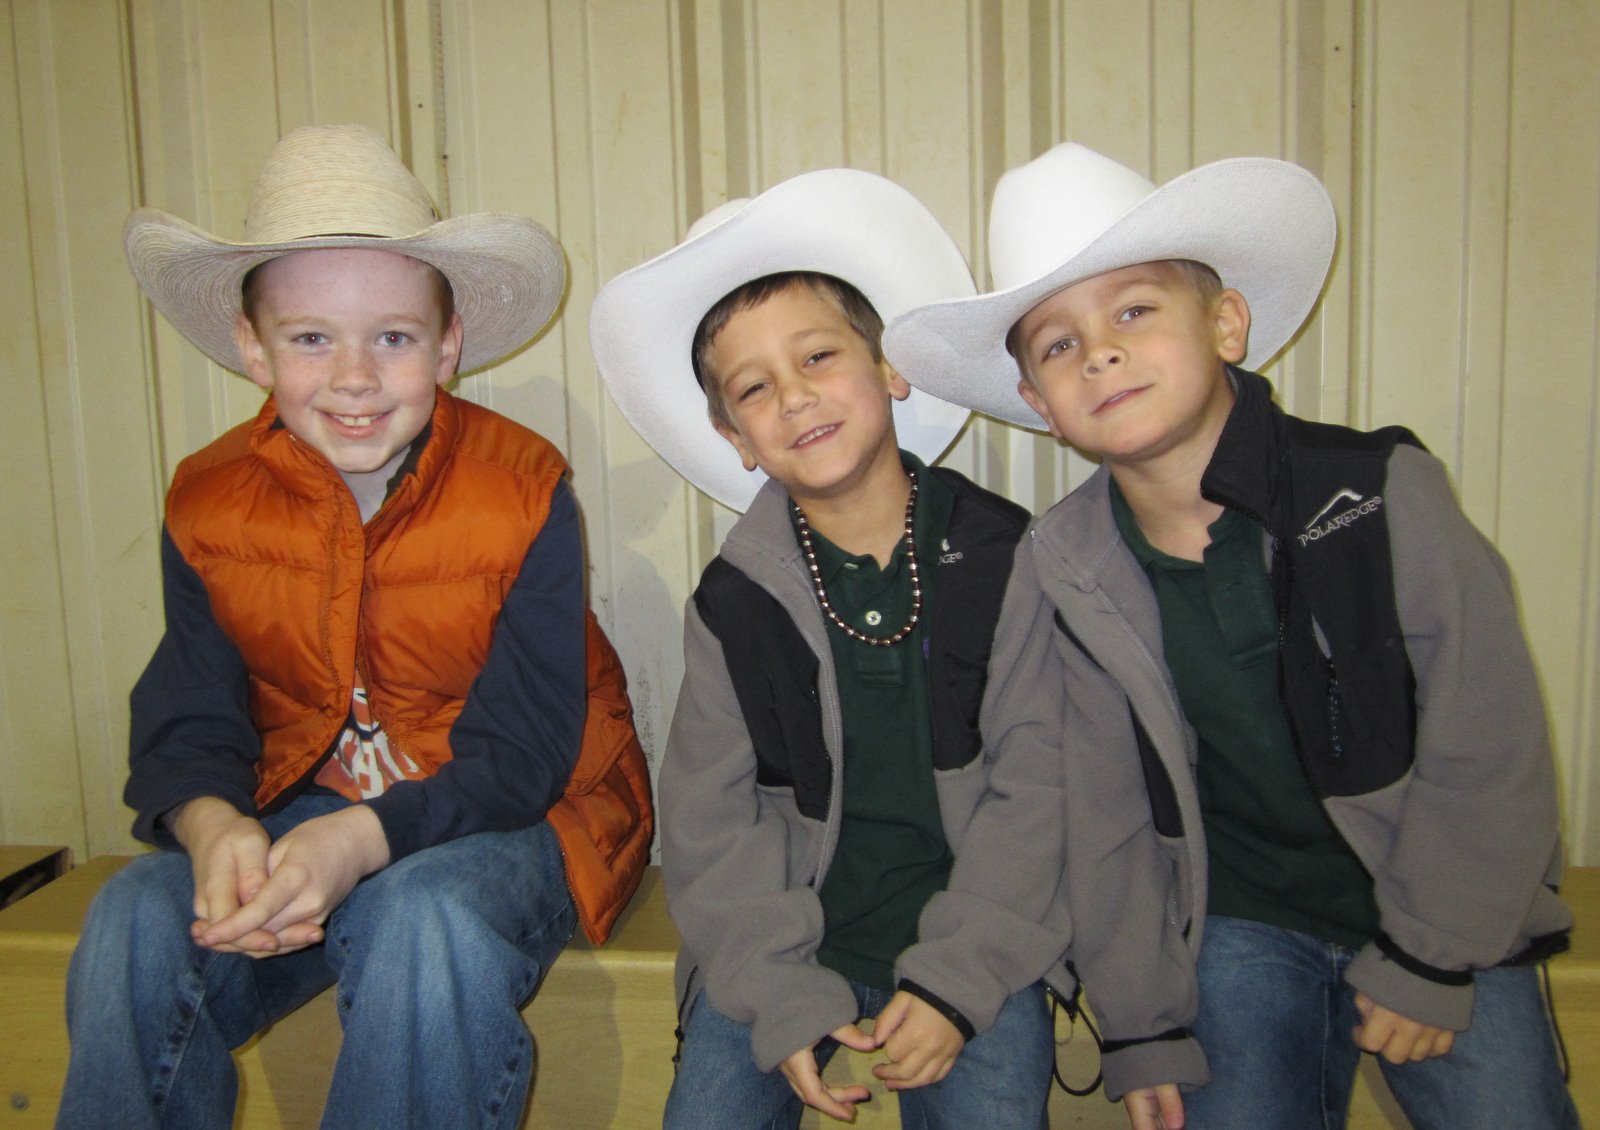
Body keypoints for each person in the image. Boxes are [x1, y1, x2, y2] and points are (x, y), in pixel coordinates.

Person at [883, 142, 1577, 1130]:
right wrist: (1138, 1022)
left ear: (1225, 322)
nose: (1101, 352)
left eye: (1133, 311)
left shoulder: (1375, 490)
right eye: (1058, 344)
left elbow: (1488, 736)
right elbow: (1095, 804)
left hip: (1441, 901)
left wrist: (1432, 949)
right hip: (1234, 917)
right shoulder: (1060, 561)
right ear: (1038, 403)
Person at [57, 123, 653, 1130]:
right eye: (309, 337)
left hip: (522, 818)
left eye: (392, 335)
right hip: (304, 816)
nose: (354, 376)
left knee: (416, 913)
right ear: (253, 347)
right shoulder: (208, 500)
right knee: (131, 916)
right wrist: (215, 825)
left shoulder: (523, 487)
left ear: (447, 343)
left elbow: (525, 754)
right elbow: (188, 717)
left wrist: (358, 844)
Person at [590, 169, 1059, 1128]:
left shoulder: (1007, 559)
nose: (796, 398)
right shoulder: (734, 602)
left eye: (818, 357)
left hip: (978, 933)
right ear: (737, 439)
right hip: (785, 940)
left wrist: (958, 983)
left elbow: (1043, 795)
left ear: (890, 367)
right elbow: (710, 820)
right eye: (755, 389)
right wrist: (778, 995)